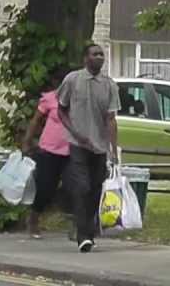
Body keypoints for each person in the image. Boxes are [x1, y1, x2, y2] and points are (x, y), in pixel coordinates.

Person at [58, 43, 121, 253]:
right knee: (82, 187)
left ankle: (88, 231)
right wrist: (73, 132)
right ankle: (82, 235)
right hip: (78, 144)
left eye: (101, 54)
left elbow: (111, 119)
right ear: (85, 58)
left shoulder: (109, 85)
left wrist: (113, 149)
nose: (99, 57)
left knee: (95, 190)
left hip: (99, 146)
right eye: (95, 54)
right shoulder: (73, 80)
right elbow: (61, 110)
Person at [22, 68, 71, 238]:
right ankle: (33, 219)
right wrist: (27, 142)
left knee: (74, 186)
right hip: (49, 150)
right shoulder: (50, 99)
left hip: (72, 150)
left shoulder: (79, 101)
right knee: (45, 187)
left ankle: (78, 225)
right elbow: (35, 122)